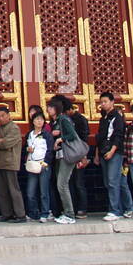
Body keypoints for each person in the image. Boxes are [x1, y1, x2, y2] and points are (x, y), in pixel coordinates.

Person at [48, 95, 82, 224]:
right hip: (60, 155)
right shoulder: (55, 121)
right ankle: (66, 212)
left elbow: (72, 135)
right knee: (61, 184)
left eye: (50, 108)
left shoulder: (63, 119)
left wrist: (60, 138)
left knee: (62, 184)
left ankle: (69, 214)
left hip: (67, 156)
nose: (48, 110)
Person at [0, 105, 24, 222]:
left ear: (8, 116)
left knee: (13, 189)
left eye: (3, 116)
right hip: (0, 162)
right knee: (2, 191)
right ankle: (6, 213)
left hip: (11, 163)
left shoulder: (14, 128)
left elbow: (6, 143)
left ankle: (20, 214)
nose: (0, 118)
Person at [96, 92, 128, 220]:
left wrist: (112, 151)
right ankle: (119, 208)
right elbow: (100, 137)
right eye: (101, 102)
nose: (103, 104)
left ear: (112, 102)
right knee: (108, 181)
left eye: (105, 101)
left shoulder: (117, 117)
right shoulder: (103, 118)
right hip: (104, 151)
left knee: (113, 181)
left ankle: (114, 210)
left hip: (114, 153)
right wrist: (97, 154)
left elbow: (118, 136)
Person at [24, 109, 55, 222]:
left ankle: (45, 213)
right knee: (30, 192)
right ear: (33, 121)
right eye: (37, 119)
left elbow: (50, 150)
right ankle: (33, 213)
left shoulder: (47, 135)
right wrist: (27, 150)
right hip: (32, 164)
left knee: (44, 191)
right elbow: (25, 149)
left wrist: (45, 163)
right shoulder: (29, 135)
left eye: (41, 119)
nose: (39, 122)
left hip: (43, 164)